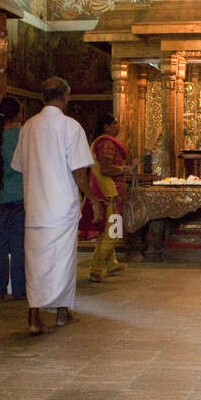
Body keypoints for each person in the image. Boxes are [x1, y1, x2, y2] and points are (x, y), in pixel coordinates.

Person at [11, 77, 100, 336]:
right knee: (62, 261)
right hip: (61, 207)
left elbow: (19, 166)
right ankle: (61, 313)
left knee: (35, 262)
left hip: (36, 207)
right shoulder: (70, 127)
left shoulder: (28, 127)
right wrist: (92, 198)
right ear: (66, 96)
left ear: (43, 97)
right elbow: (78, 170)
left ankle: (35, 316)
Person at [80, 113, 134, 282]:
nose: (118, 126)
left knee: (109, 231)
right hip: (108, 193)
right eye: (115, 123)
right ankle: (96, 268)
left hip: (110, 192)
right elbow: (106, 169)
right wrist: (128, 168)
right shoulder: (106, 144)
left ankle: (111, 262)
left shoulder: (104, 142)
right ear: (106, 126)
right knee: (113, 232)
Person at [0, 96, 25, 301]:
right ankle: (20, 290)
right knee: (19, 246)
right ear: (18, 114)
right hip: (20, 195)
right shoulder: (22, 135)